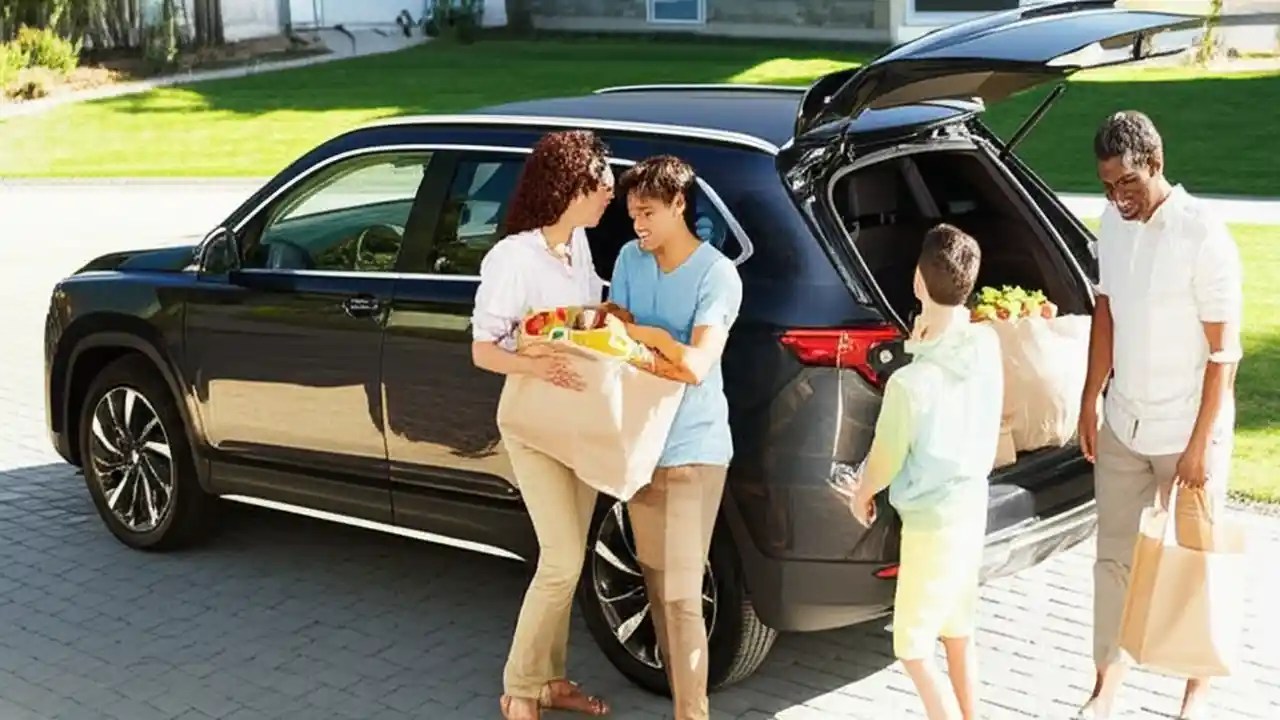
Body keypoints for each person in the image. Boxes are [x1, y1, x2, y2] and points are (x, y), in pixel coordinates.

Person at [1076, 111, 1242, 720]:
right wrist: (1091, 396)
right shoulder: (1111, 225)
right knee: (1113, 562)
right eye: (1107, 186)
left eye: (1128, 183)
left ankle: (1195, 695)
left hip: (1188, 432)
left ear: (1157, 163)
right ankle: (1105, 689)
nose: (1118, 198)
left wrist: (1200, 445)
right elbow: (1106, 311)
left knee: (1196, 563)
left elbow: (1224, 354)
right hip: (1125, 424)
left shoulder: (1203, 236)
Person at [470, 129, 617, 720]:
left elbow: (586, 318)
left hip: (577, 423)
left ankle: (551, 681)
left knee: (569, 561)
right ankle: (519, 690)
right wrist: (530, 361)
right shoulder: (514, 258)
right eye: (602, 184)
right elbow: (483, 349)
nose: (610, 194)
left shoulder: (577, 244)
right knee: (560, 560)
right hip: (533, 424)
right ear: (571, 186)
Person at [606, 155, 743, 720]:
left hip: (694, 451)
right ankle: (682, 705)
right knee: (657, 584)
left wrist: (644, 335)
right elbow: (611, 329)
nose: (638, 224)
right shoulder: (629, 259)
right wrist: (627, 333)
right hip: (640, 447)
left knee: (684, 595)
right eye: (632, 213)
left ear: (679, 204)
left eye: (648, 213)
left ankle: (694, 713)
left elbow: (695, 365)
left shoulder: (718, 275)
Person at [847, 223, 1000, 720]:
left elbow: (886, 457)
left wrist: (861, 494)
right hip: (971, 507)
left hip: (931, 522)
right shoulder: (985, 346)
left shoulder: (910, 384)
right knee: (958, 630)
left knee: (912, 645)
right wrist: (922, 343)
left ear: (917, 280)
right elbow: (953, 351)